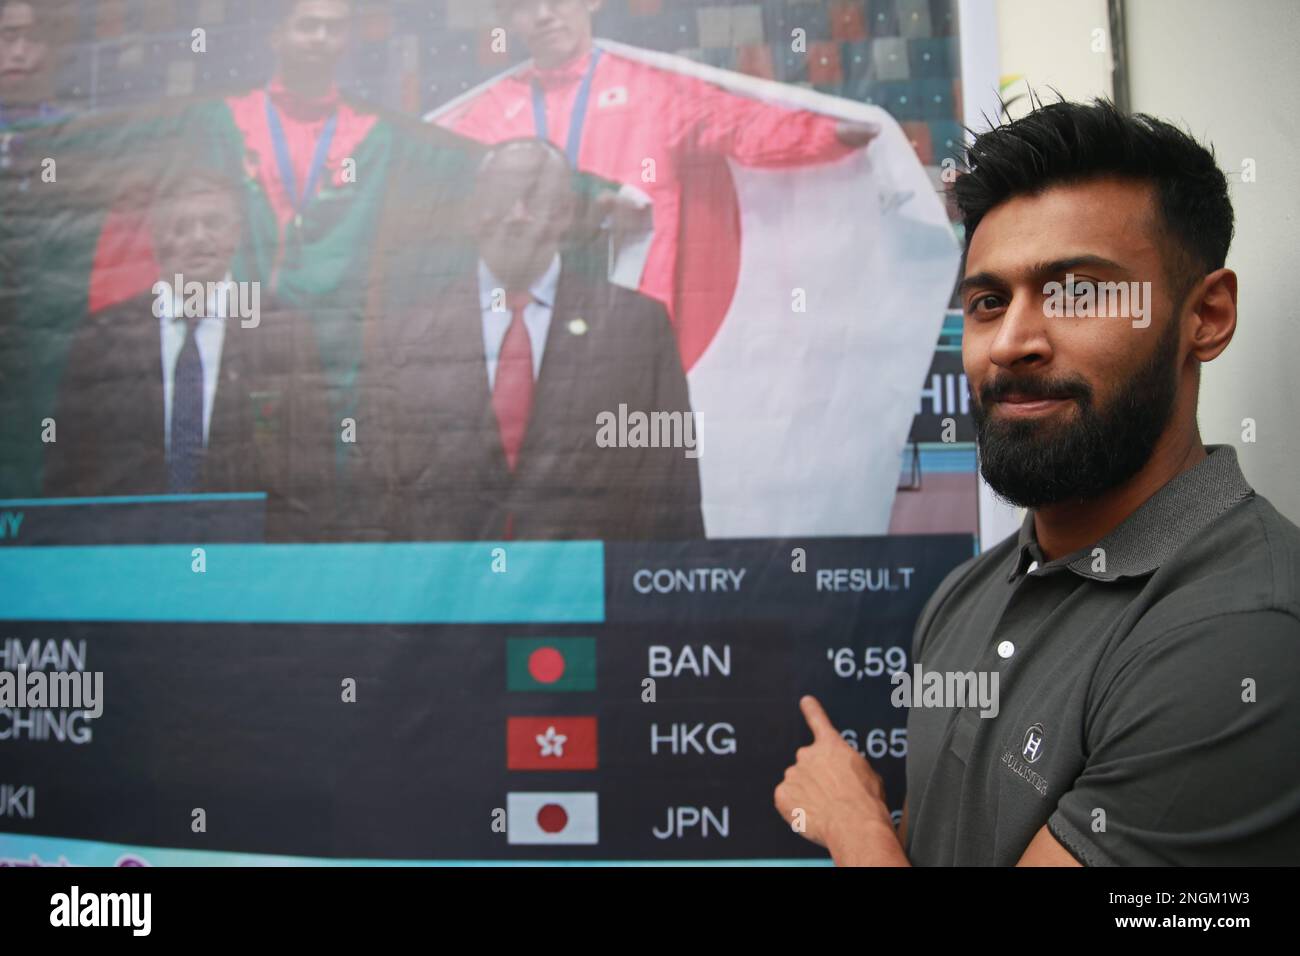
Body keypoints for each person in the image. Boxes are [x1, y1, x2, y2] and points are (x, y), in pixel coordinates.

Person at [774, 99, 1300, 866]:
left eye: (1078, 293)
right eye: (989, 302)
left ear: (1208, 316)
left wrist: (853, 826)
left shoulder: (1244, 633)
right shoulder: (972, 592)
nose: (1014, 342)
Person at [435, 0, 878, 368]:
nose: (545, 14)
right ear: (508, 22)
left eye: (558, 0)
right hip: (530, 323)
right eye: (525, 6)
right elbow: (431, 179)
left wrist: (827, 135)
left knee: (634, 455)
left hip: (629, 324)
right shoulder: (491, 114)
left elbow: (741, 125)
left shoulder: (652, 91)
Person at [359, 138, 703, 541]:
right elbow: (377, 495)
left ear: (565, 214)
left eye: (534, 199)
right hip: (449, 594)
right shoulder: (405, 337)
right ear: (472, 213)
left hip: (588, 592)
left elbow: (672, 484)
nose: (516, 215)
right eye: (501, 198)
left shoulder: (637, 327)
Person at [44, 164, 334, 542]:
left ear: (235, 233)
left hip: (250, 564)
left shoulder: (283, 330)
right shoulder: (103, 338)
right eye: (181, 227)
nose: (198, 238)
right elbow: (68, 471)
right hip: (129, 562)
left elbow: (314, 469)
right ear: (157, 239)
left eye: (212, 223)